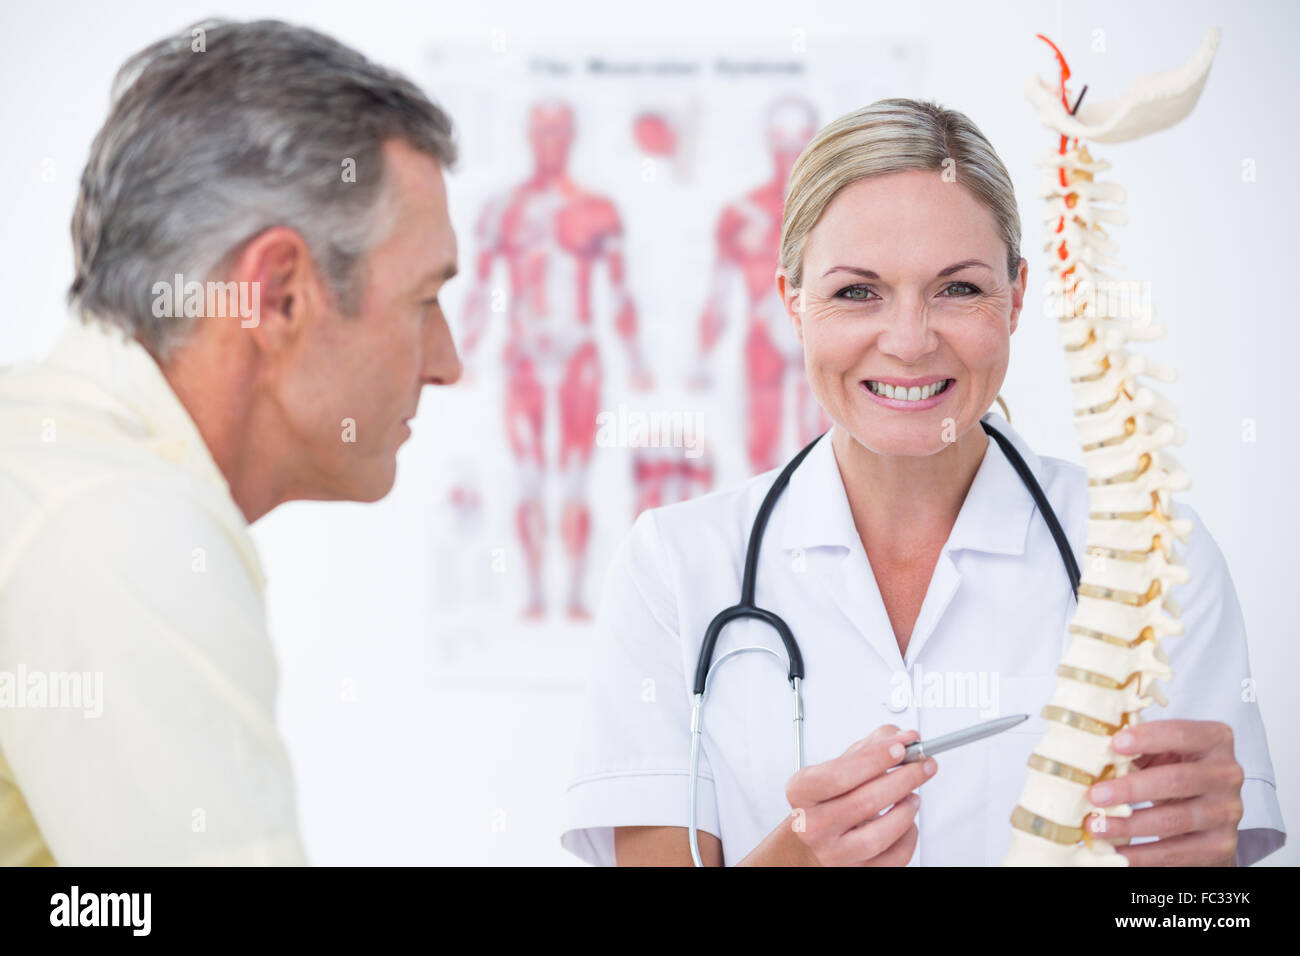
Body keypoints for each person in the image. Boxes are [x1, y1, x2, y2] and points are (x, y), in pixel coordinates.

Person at [561, 98, 1286, 866]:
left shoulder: (1151, 559)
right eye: (856, 292)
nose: (909, 342)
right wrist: (797, 861)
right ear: (792, 304)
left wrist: (1205, 882)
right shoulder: (675, 567)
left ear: (1016, 298)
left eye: (959, 289)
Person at [0, 19, 462, 865]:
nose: (449, 364)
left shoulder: (47, 462)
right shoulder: (117, 524)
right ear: (277, 295)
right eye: (425, 300)